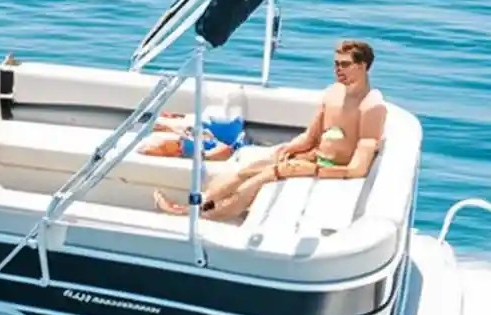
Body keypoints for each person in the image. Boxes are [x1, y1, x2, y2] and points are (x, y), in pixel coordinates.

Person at [153, 40, 388, 221]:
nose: (338, 69)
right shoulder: (333, 92)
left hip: (329, 166)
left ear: (362, 67)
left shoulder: (371, 106)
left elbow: (357, 169)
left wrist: (313, 169)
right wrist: (290, 149)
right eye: (336, 64)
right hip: (313, 156)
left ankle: (202, 215)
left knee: (259, 178)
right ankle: (195, 206)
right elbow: (311, 136)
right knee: (246, 170)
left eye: (345, 65)